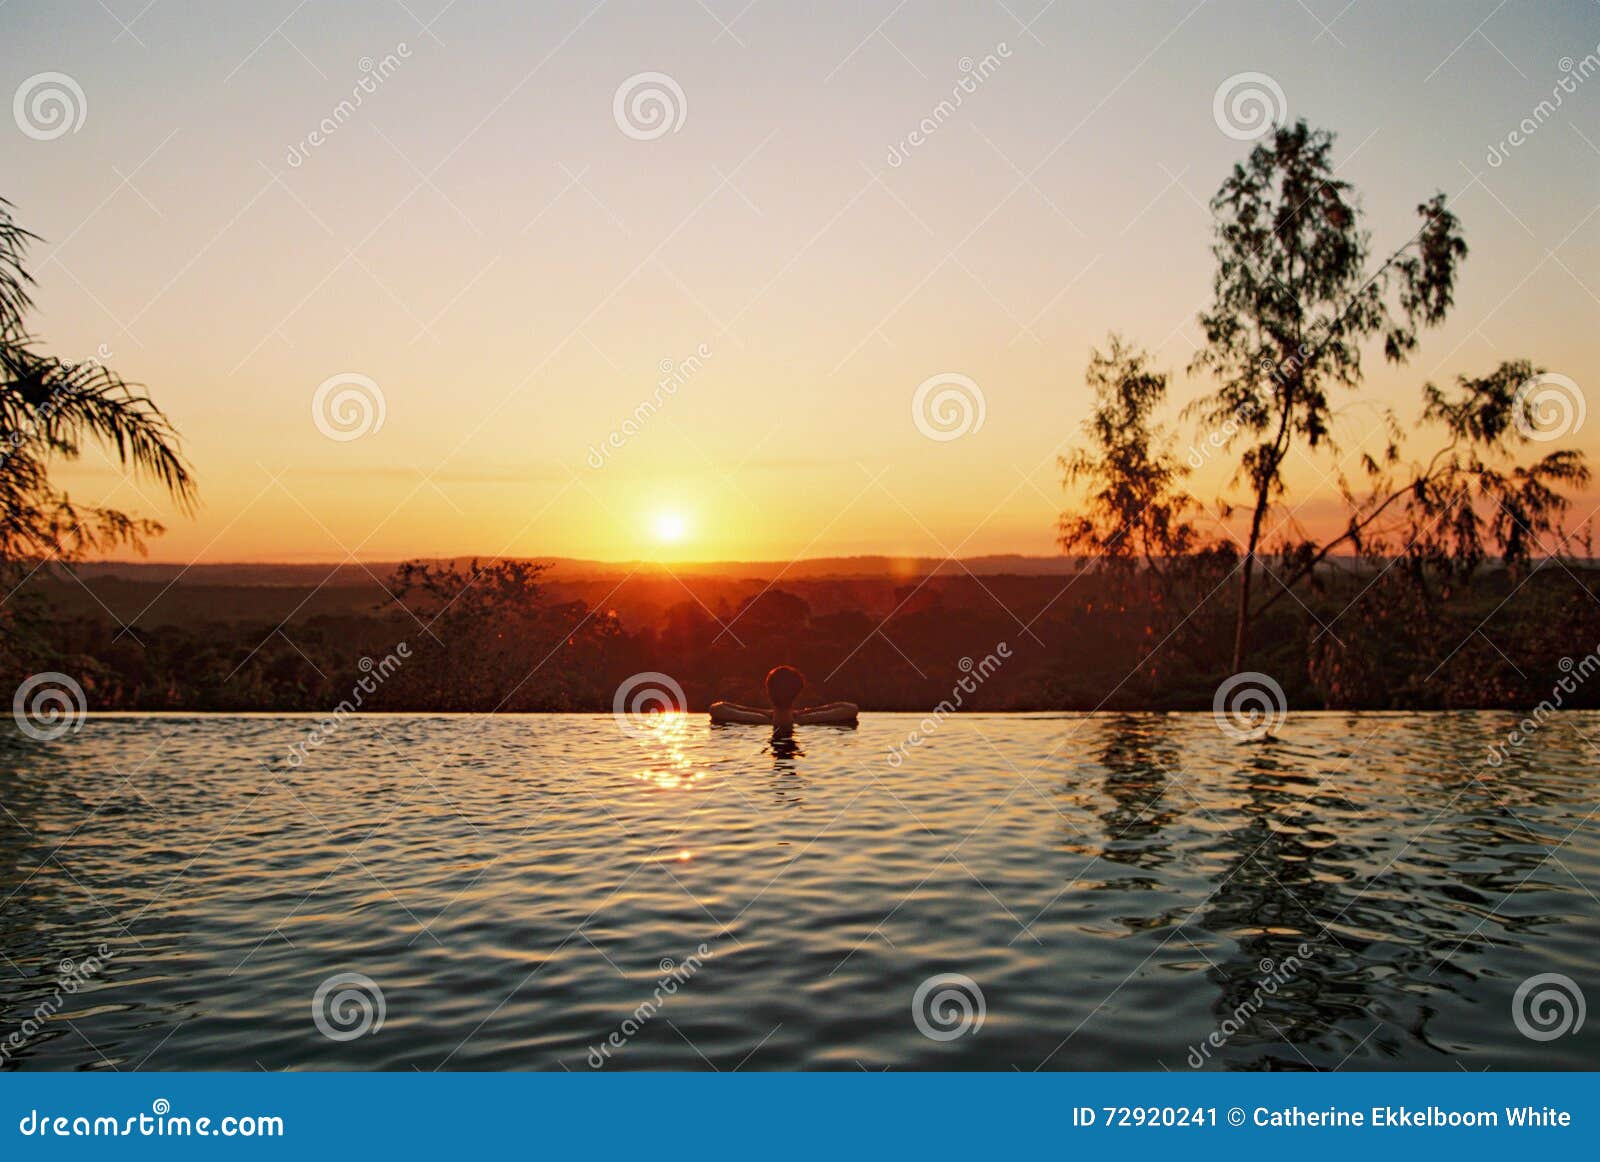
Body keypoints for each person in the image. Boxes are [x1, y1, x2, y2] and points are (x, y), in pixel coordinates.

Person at [709, 665, 858, 731]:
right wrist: (805, 714)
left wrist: (760, 713)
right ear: (798, 693)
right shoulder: (804, 720)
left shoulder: (760, 720)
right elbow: (851, 709)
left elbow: (716, 708)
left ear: (768, 692)